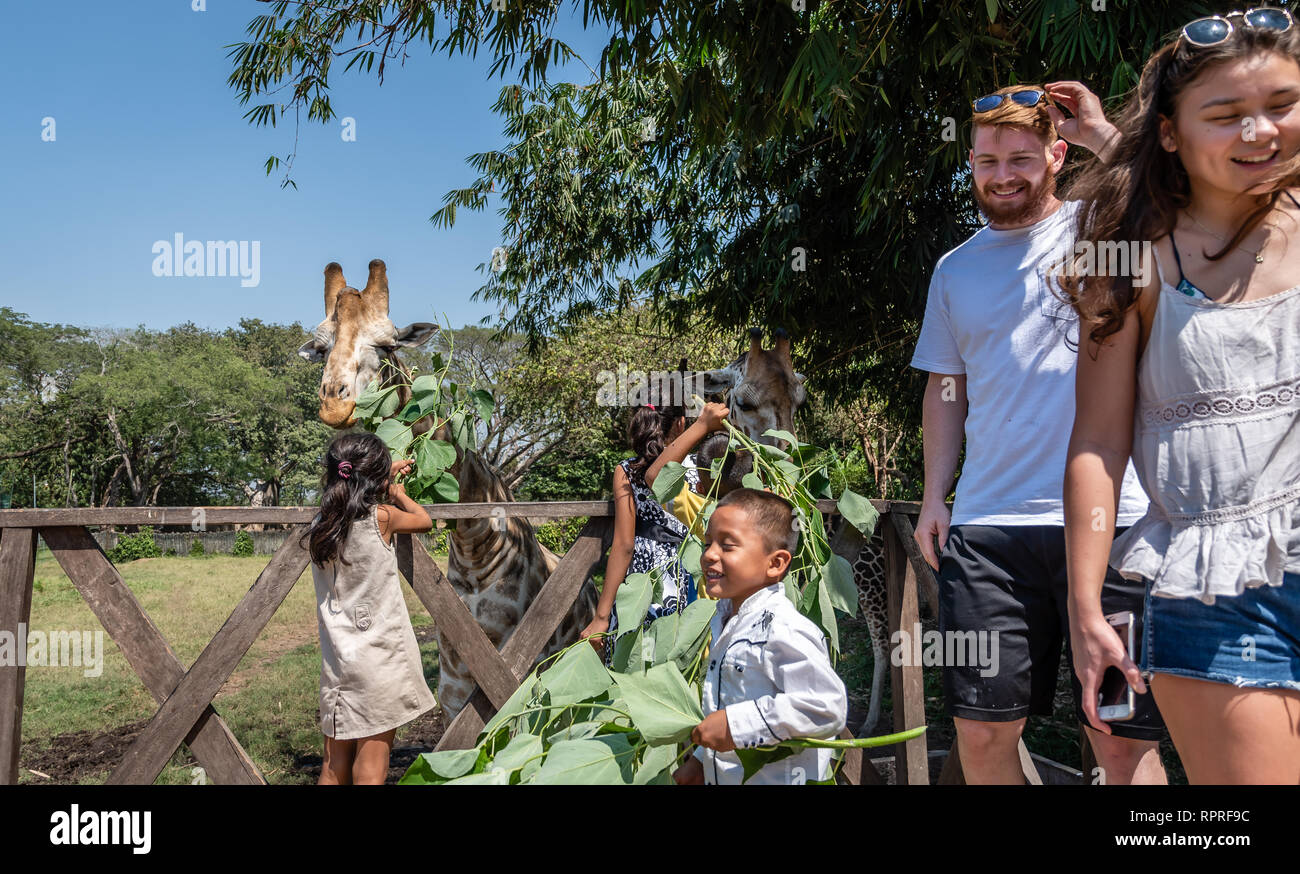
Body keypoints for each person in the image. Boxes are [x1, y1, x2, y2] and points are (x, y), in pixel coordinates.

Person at [1061, 8, 1300, 784]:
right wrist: (1086, 607)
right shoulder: (1133, 264)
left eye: (1283, 105)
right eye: (1226, 116)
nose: (1260, 133)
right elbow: (1099, 443)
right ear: (1170, 134)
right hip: (1214, 586)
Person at [910, 83, 1168, 784]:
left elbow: (1184, 207)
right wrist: (936, 495)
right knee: (983, 736)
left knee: (1118, 736)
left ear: (1056, 155)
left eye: (1020, 158)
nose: (1002, 175)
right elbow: (945, 387)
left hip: (1115, 527)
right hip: (990, 536)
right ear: (969, 162)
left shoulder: (1103, 228)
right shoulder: (954, 269)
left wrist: (1102, 133)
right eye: (987, 160)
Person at [673, 488, 848, 785]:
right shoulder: (726, 620)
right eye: (707, 544)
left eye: (727, 546)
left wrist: (737, 725)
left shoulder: (783, 628)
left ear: (776, 564)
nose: (709, 555)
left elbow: (825, 706)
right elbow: (730, 700)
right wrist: (701, 763)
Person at [301, 431, 437, 785]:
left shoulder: (321, 524)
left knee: (333, 763)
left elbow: (351, 491)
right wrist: (397, 492)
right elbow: (424, 520)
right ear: (375, 478)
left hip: (338, 659)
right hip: (378, 658)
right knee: (373, 761)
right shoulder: (383, 517)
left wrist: (379, 473)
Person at [581, 404, 700, 656]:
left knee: (636, 661)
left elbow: (624, 546)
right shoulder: (703, 467)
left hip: (642, 586)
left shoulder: (627, 470)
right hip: (691, 573)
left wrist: (602, 617)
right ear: (681, 424)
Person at [646, 401, 733, 539]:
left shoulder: (708, 516)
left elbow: (656, 477)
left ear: (700, 488)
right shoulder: (768, 510)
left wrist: (702, 425)